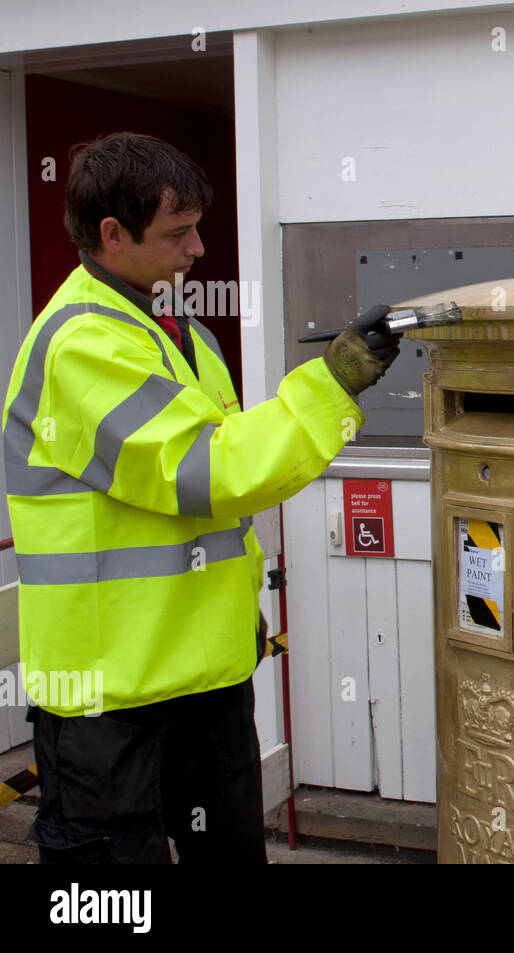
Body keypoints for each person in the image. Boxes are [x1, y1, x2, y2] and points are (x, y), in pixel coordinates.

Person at [3, 132, 398, 863]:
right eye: (177, 231)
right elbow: (210, 471)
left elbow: (219, 495)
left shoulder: (182, 334)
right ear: (112, 235)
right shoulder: (83, 343)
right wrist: (332, 384)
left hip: (203, 677)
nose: (199, 249)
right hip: (113, 694)